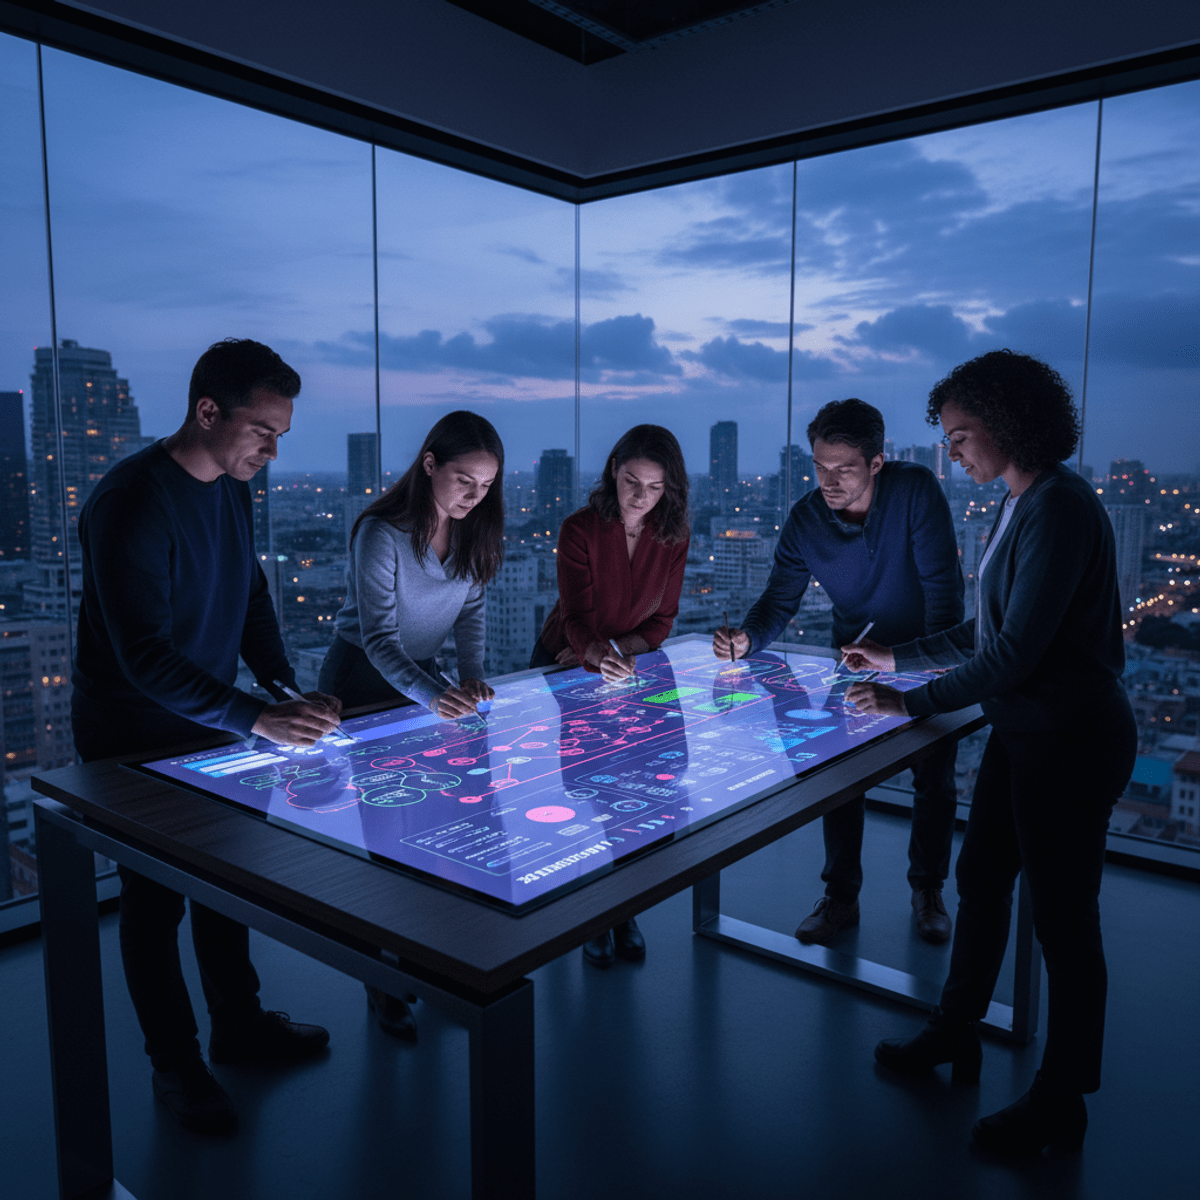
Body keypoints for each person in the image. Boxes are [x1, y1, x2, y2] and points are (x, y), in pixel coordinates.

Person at [846, 350, 1136, 1156]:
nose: (955, 453)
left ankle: (1063, 1097)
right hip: (1027, 732)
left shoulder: (1061, 509)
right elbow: (987, 632)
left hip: (1070, 741)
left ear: (1006, 425)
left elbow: (1012, 658)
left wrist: (911, 702)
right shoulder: (1020, 502)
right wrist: (897, 659)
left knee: (1064, 924)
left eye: (962, 435)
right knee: (980, 882)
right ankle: (956, 1027)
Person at [72, 338, 342, 1136]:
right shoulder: (131, 499)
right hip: (131, 734)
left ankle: (239, 1022)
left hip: (214, 720)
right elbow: (142, 655)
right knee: (153, 907)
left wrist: (283, 686)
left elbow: (250, 593)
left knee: (227, 879)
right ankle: (176, 1065)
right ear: (207, 411)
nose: (272, 447)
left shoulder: (232, 487)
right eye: (263, 429)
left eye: (283, 434)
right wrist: (255, 716)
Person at [713, 399, 963, 946]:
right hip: (853, 660)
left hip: (927, 656)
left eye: (843, 469)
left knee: (934, 781)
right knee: (839, 777)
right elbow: (778, 602)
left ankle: (928, 890)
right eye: (819, 466)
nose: (827, 480)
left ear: (877, 463)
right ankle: (840, 897)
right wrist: (747, 639)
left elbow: (947, 604)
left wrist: (912, 667)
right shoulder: (806, 518)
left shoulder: (915, 490)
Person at [319, 409, 502, 1037]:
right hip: (363, 683)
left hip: (423, 683)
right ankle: (381, 981)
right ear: (429, 465)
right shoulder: (381, 532)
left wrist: (473, 678)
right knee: (382, 843)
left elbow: (473, 611)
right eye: (463, 480)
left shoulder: (472, 531)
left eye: (486, 486)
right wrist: (435, 695)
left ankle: (430, 958)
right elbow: (378, 639)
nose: (475, 497)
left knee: (432, 831)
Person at [531, 424, 690, 966]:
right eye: (630, 481)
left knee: (633, 794)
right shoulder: (579, 528)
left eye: (652, 487)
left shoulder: (673, 534)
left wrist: (610, 653)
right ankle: (587, 916)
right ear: (613, 470)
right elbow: (575, 617)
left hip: (623, 666)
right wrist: (593, 656)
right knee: (584, 793)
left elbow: (662, 622)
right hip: (566, 663)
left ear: (669, 489)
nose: (639, 496)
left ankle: (622, 908)